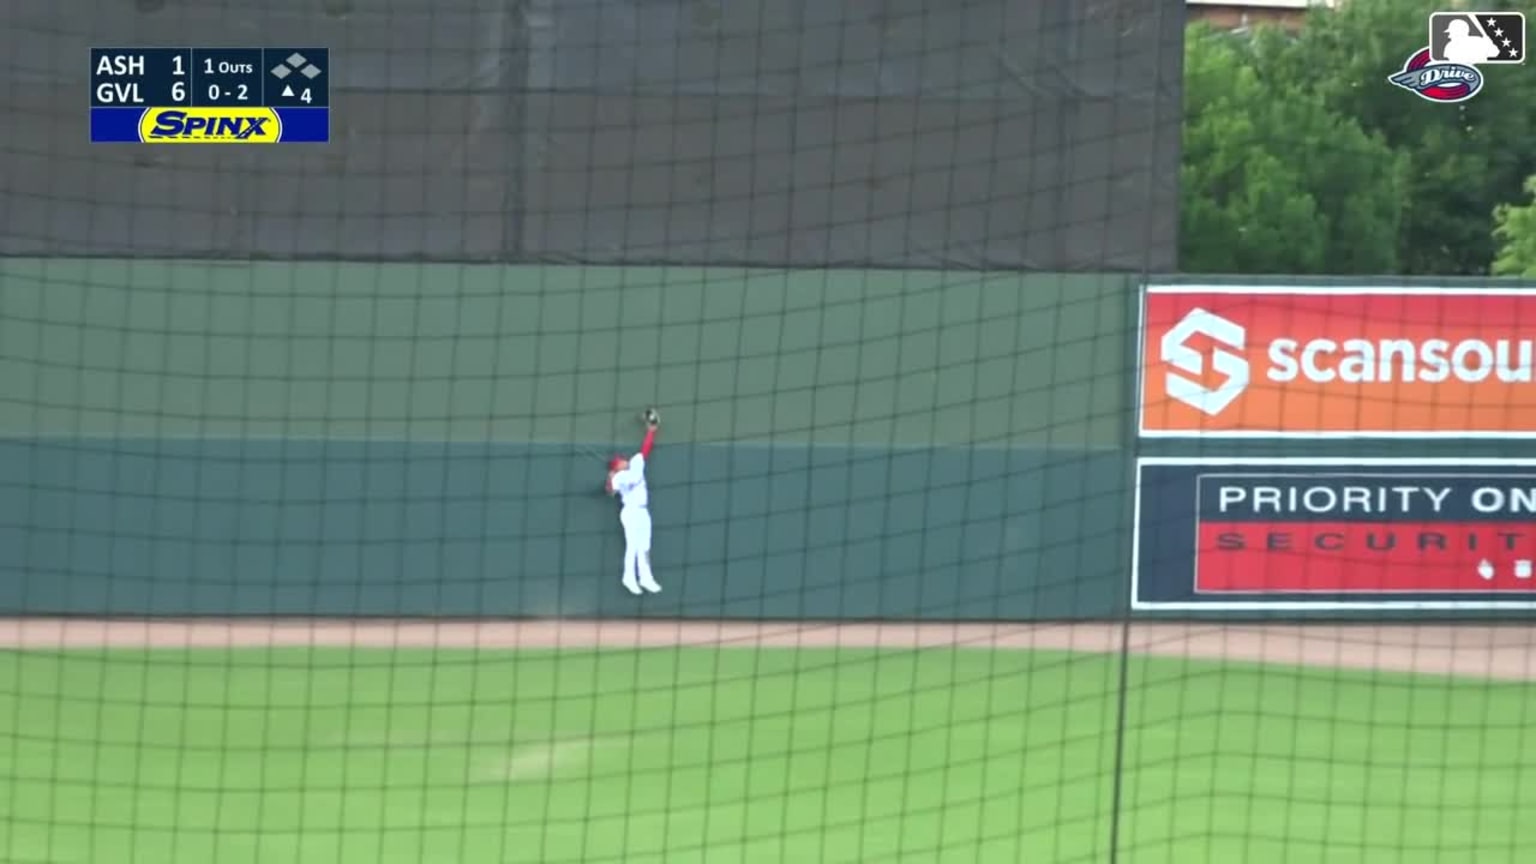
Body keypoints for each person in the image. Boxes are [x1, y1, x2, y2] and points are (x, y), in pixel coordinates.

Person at [606, 407, 662, 595]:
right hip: (630, 512)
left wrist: (651, 432)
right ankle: (629, 577)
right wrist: (611, 476)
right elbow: (610, 491)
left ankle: (646, 578)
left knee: (645, 545)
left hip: (643, 511)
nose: (623, 461)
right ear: (617, 466)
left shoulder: (636, 463)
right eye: (620, 461)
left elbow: (645, 450)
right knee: (633, 545)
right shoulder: (619, 477)